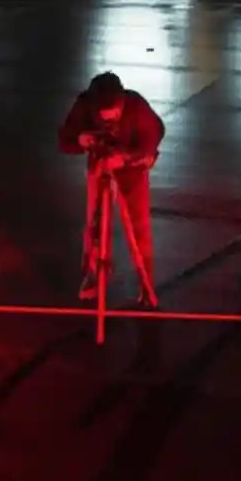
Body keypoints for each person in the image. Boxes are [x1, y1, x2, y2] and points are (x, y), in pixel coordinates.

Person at [57, 72, 165, 308]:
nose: (109, 118)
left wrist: (126, 158)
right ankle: (93, 275)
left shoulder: (136, 105)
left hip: (132, 170)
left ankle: (146, 283)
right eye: (102, 114)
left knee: (138, 227)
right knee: (94, 225)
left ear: (122, 101)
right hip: (100, 164)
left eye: (113, 111)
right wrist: (80, 140)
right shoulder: (85, 104)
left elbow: (155, 133)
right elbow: (65, 138)